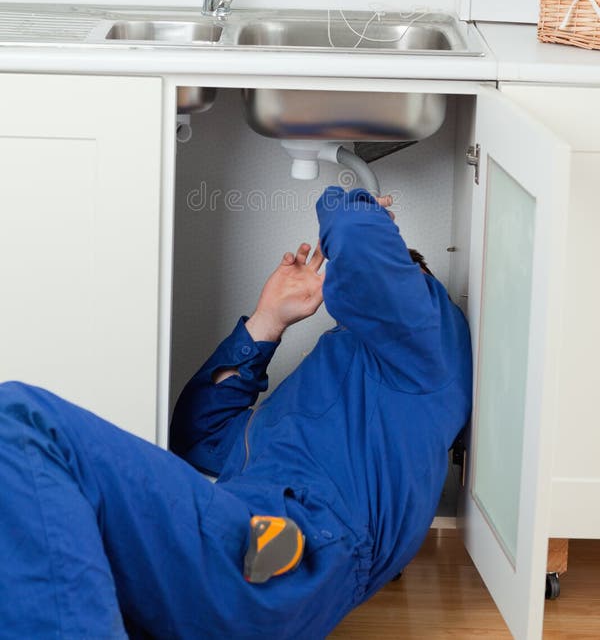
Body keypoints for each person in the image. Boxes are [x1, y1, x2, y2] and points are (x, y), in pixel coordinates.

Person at [0, 186, 472, 639]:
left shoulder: (427, 342)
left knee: (18, 422)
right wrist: (268, 321)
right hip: (243, 531)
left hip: (287, 540)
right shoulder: (330, 386)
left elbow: (350, 227)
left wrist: (363, 208)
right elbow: (199, 440)